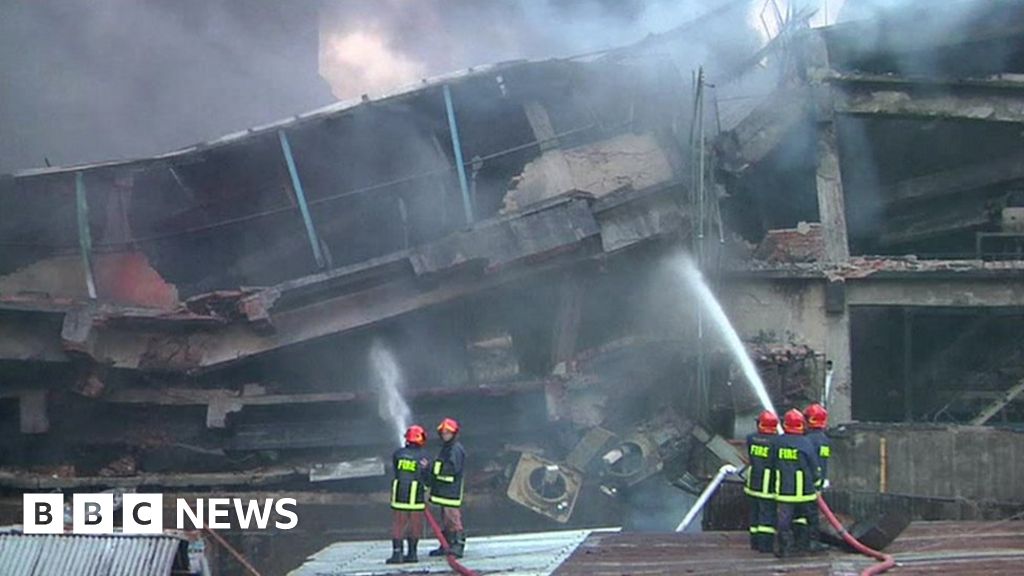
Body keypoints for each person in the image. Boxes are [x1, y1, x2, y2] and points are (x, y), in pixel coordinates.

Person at [771, 409, 819, 558]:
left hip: (785, 491)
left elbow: (772, 464)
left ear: (785, 424)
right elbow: (814, 467)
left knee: (784, 520)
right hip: (806, 492)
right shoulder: (806, 442)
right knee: (810, 518)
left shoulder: (777, 442)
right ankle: (808, 545)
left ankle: (784, 548)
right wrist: (817, 483)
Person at [386, 425, 430, 564]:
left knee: (398, 524)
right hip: (416, 495)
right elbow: (427, 477)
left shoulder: (398, 454)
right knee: (415, 525)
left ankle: (397, 555)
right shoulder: (424, 457)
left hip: (400, 494)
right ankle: (412, 554)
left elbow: (396, 470)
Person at [428, 417, 467, 558]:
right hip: (444, 491)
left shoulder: (455, 449)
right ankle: (446, 545)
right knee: (445, 519)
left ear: (454, 433)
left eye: (448, 433)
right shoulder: (447, 448)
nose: (445, 435)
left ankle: (457, 546)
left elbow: (451, 468)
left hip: (451, 491)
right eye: (443, 433)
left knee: (453, 518)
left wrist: (431, 467)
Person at [745, 410, 779, 553]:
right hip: (768, 483)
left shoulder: (751, 438)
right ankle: (765, 546)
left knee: (754, 513)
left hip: (753, 481)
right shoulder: (777, 442)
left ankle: (754, 543)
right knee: (767, 514)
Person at [802, 402, 832, 551]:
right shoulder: (824, 440)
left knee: (806, 514)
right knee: (812, 513)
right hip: (818, 482)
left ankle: (808, 541)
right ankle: (812, 541)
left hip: (806, 483)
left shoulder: (807, 440)